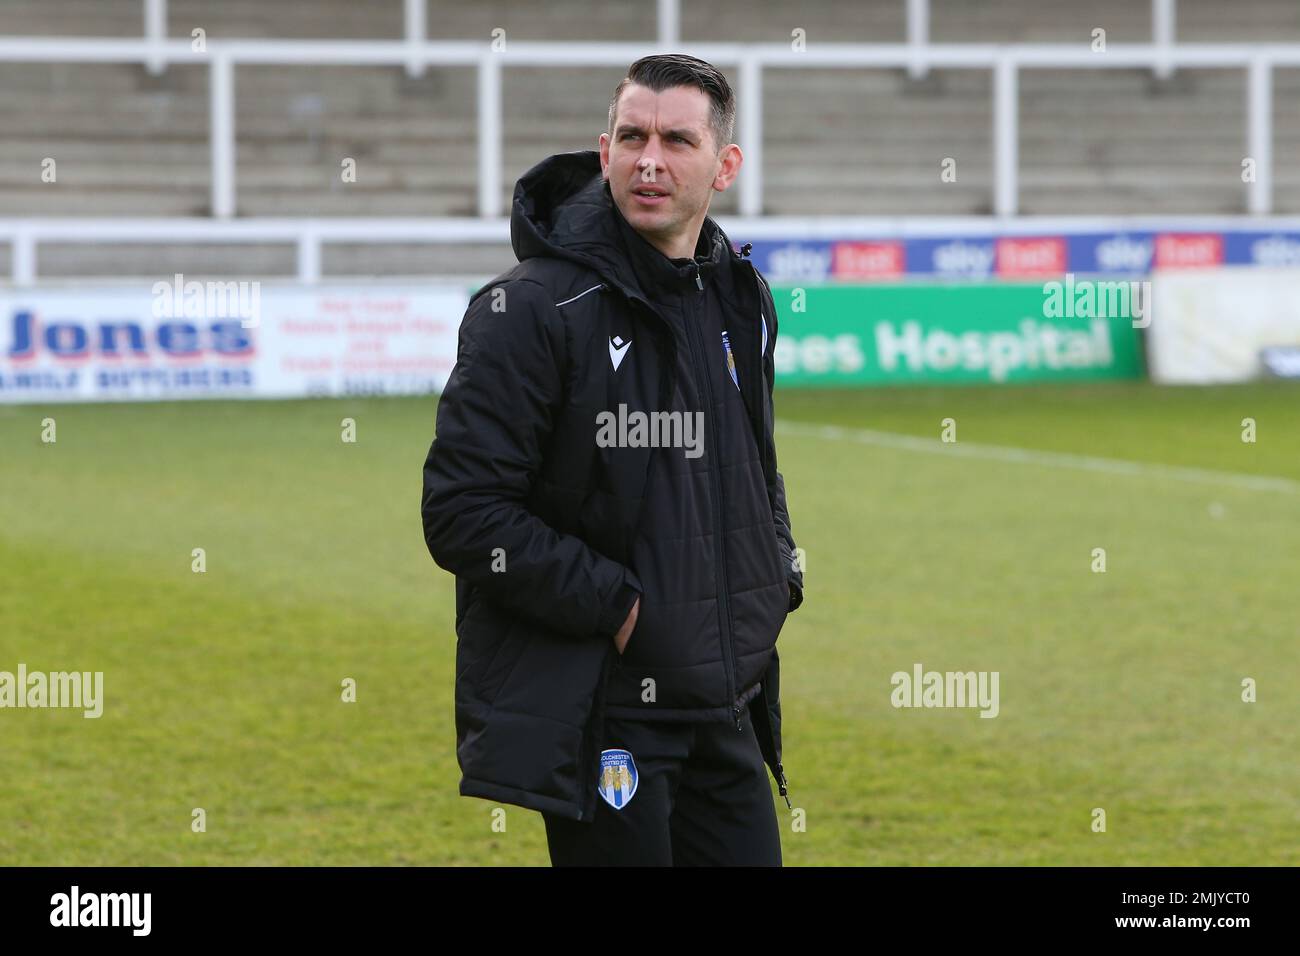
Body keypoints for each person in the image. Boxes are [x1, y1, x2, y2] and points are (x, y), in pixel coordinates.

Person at [420, 53, 804, 866]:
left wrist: (777, 569)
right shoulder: (527, 309)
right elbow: (464, 514)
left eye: (677, 140)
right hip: (610, 713)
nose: (650, 160)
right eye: (632, 137)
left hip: (727, 703)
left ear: (724, 165)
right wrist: (626, 609)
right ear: (604, 153)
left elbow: (752, 461)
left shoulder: (738, 293)